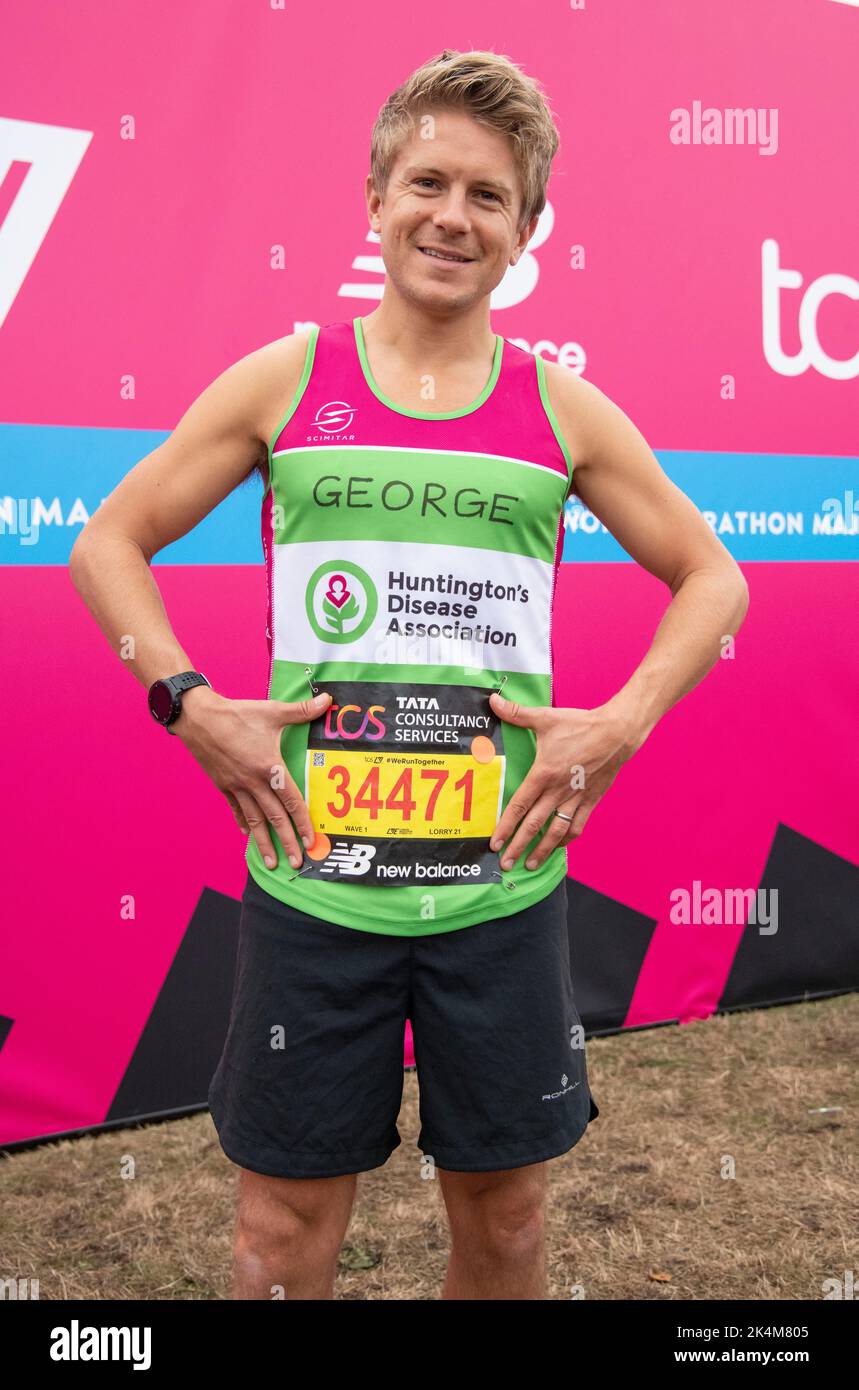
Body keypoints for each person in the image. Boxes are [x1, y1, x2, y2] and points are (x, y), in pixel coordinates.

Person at [70, 48, 748, 1300]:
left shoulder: (563, 410)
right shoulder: (290, 379)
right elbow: (108, 541)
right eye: (426, 182)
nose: (453, 215)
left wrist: (619, 724)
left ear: (527, 229)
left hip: (498, 892)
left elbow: (717, 583)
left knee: (504, 1222)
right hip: (314, 893)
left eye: (489, 196)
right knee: (279, 1232)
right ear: (375, 201)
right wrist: (186, 702)